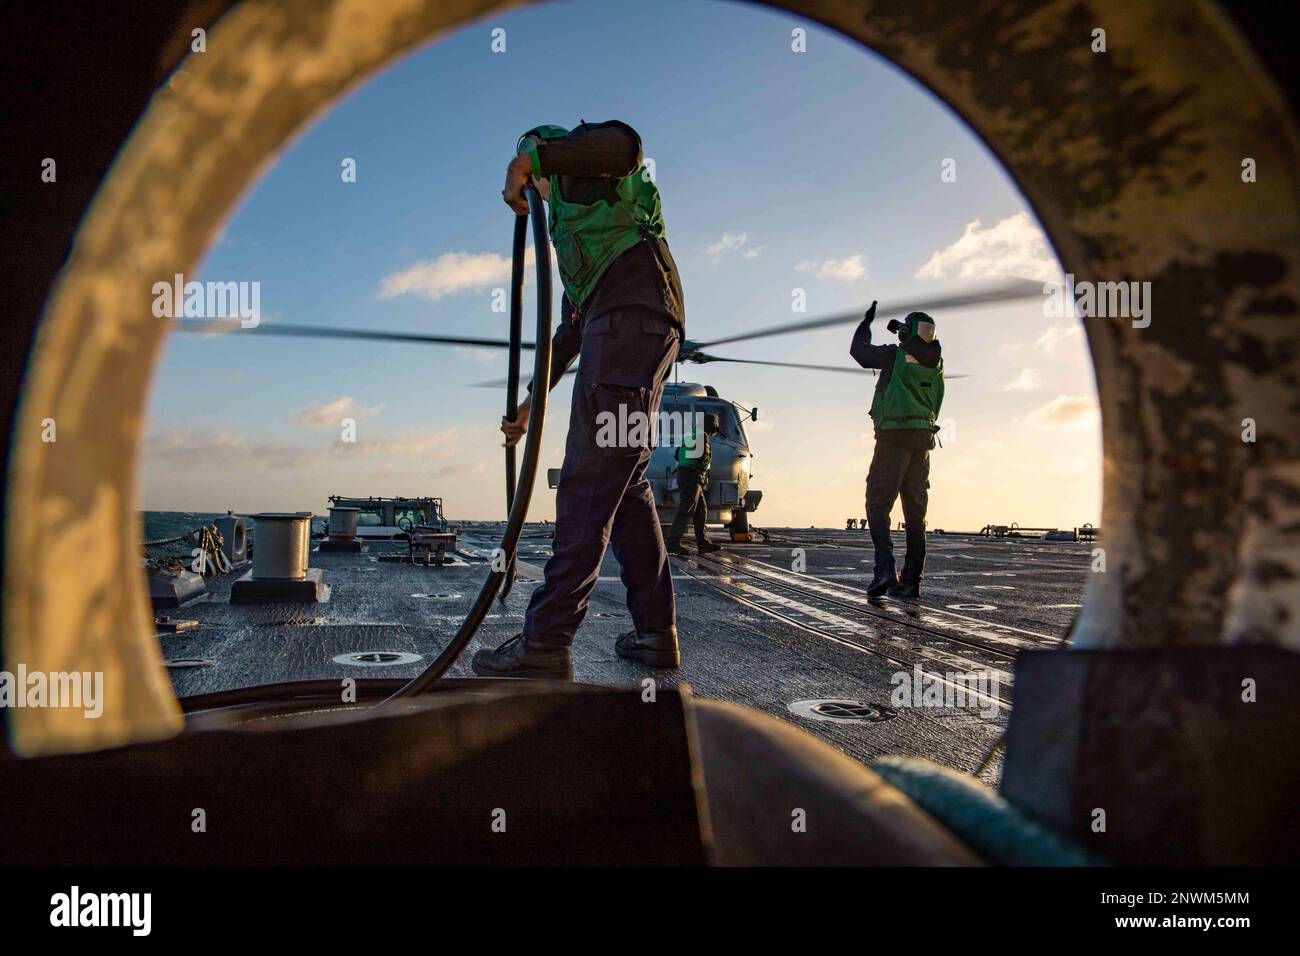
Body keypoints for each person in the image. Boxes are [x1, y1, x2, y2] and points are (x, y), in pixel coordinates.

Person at [473, 120, 685, 679]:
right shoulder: (580, 244)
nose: (538, 192)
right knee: (628, 482)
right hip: (639, 329)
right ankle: (655, 632)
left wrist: (534, 158)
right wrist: (526, 406)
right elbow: (566, 335)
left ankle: (546, 640)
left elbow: (626, 144)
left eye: (540, 175)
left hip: (628, 326)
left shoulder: (588, 174)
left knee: (588, 480)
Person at [848, 302, 944, 598]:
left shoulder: (896, 355)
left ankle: (884, 571)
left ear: (906, 332)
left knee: (877, 505)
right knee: (916, 515)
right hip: (923, 443)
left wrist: (865, 324)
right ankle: (911, 581)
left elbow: (859, 352)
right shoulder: (936, 362)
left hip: (893, 439)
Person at [665, 413, 722, 556]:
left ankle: (703, 544)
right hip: (693, 475)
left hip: (685, 473)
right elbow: (703, 457)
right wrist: (702, 470)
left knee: (700, 511)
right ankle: (672, 543)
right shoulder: (703, 436)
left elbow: (677, 455)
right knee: (686, 509)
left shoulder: (689, 434)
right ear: (712, 427)